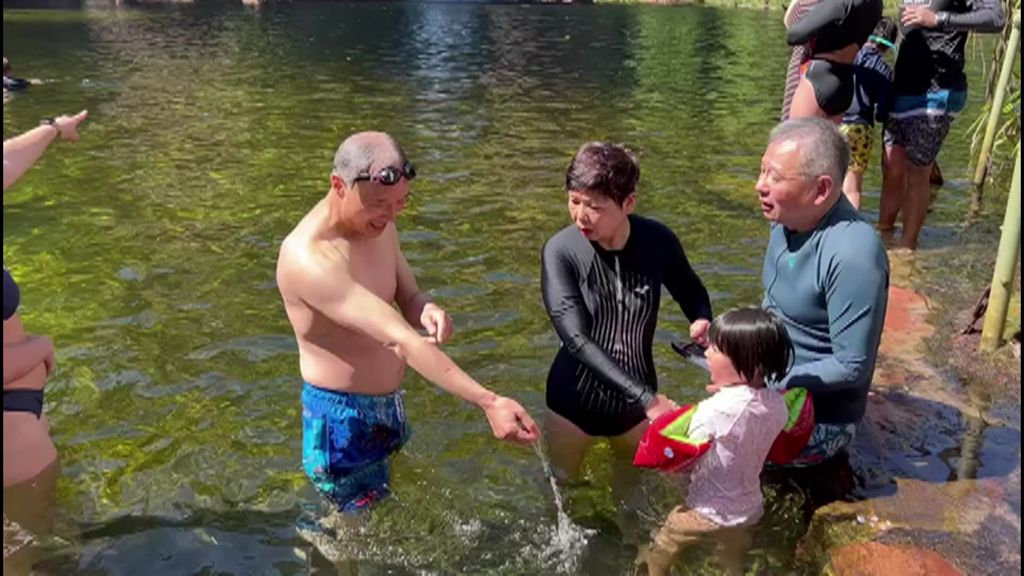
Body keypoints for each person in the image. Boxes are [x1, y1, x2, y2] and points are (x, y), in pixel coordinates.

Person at [276, 131, 539, 514]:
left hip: (389, 406)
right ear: (339, 185)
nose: (392, 215)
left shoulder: (380, 224)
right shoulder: (309, 259)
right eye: (381, 205)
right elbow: (402, 339)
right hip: (339, 422)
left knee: (385, 513)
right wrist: (489, 401)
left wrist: (426, 308)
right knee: (346, 532)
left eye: (402, 203)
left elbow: (408, 297)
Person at [541, 142, 713, 488]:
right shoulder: (561, 251)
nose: (580, 216)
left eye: (595, 206)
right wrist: (648, 399)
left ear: (628, 203)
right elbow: (577, 340)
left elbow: (689, 287)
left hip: (634, 413)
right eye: (574, 201)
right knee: (564, 493)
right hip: (572, 406)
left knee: (633, 501)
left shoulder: (657, 240)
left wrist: (700, 316)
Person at [757, 118, 889, 465]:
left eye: (776, 178)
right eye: (762, 171)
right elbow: (774, 308)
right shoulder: (785, 222)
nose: (760, 186)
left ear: (822, 189)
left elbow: (852, 365)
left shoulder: (853, 251)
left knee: (714, 458)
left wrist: (769, 384)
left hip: (822, 415)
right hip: (772, 385)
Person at [638, 308, 793, 576]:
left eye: (715, 349)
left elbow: (679, 454)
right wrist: (728, 390)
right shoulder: (779, 405)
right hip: (750, 510)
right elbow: (746, 417)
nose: (706, 353)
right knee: (731, 563)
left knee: (658, 552)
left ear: (748, 361)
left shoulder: (715, 410)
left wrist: (665, 416)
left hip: (704, 514)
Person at [4, 111, 89, 489]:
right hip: (10, 438)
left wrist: (54, 128)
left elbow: (6, 160)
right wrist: (40, 347)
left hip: (20, 418)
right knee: (33, 545)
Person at [879, 0, 1006, 250]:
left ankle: (906, 250)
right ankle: (882, 239)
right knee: (891, 165)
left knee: (917, 171)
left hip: (939, 89)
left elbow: (996, 18)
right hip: (903, 85)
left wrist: (939, 20)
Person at [786, 0, 884, 121]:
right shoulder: (876, 4)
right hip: (845, 82)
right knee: (829, 139)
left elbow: (794, 35)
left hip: (820, 77)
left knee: (797, 136)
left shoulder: (842, 3)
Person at [839, 18, 898, 209]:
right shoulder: (885, 71)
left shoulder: (848, 55)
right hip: (861, 128)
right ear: (888, 44)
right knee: (853, 186)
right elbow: (881, 113)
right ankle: (848, 230)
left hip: (836, 123)